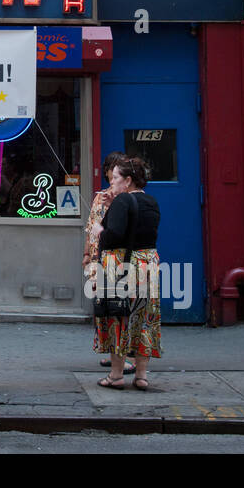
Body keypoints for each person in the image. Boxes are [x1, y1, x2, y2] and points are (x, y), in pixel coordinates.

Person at [94, 156, 161, 391]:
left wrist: (100, 229)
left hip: (122, 265)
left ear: (128, 180)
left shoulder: (122, 201)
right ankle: (141, 375)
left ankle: (116, 375)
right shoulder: (152, 202)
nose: (111, 182)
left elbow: (115, 235)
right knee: (144, 320)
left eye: (115, 178)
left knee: (117, 318)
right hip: (148, 263)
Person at [83, 152, 132, 376]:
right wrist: (87, 253)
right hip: (98, 257)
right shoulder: (99, 197)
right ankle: (111, 351)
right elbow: (91, 226)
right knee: (103, 308)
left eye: (117, 174)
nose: (112, 178)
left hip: (117, 259)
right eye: (111, 173)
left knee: (121, 309)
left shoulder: (127, 200)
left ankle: (126, 356)